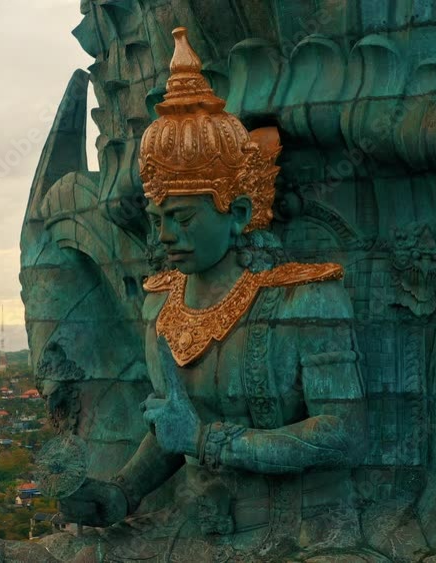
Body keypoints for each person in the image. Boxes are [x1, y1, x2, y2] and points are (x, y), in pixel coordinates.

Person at [57, 27, 368, 558]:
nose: (163, 236)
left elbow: (342, 433)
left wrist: (208, 442)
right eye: (157, 219)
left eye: (181, 218)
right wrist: (122, 491)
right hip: (199, 525)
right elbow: (171, 427)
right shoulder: (162, 301)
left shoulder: (304, 300)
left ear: (238, 213)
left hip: (305, 531)